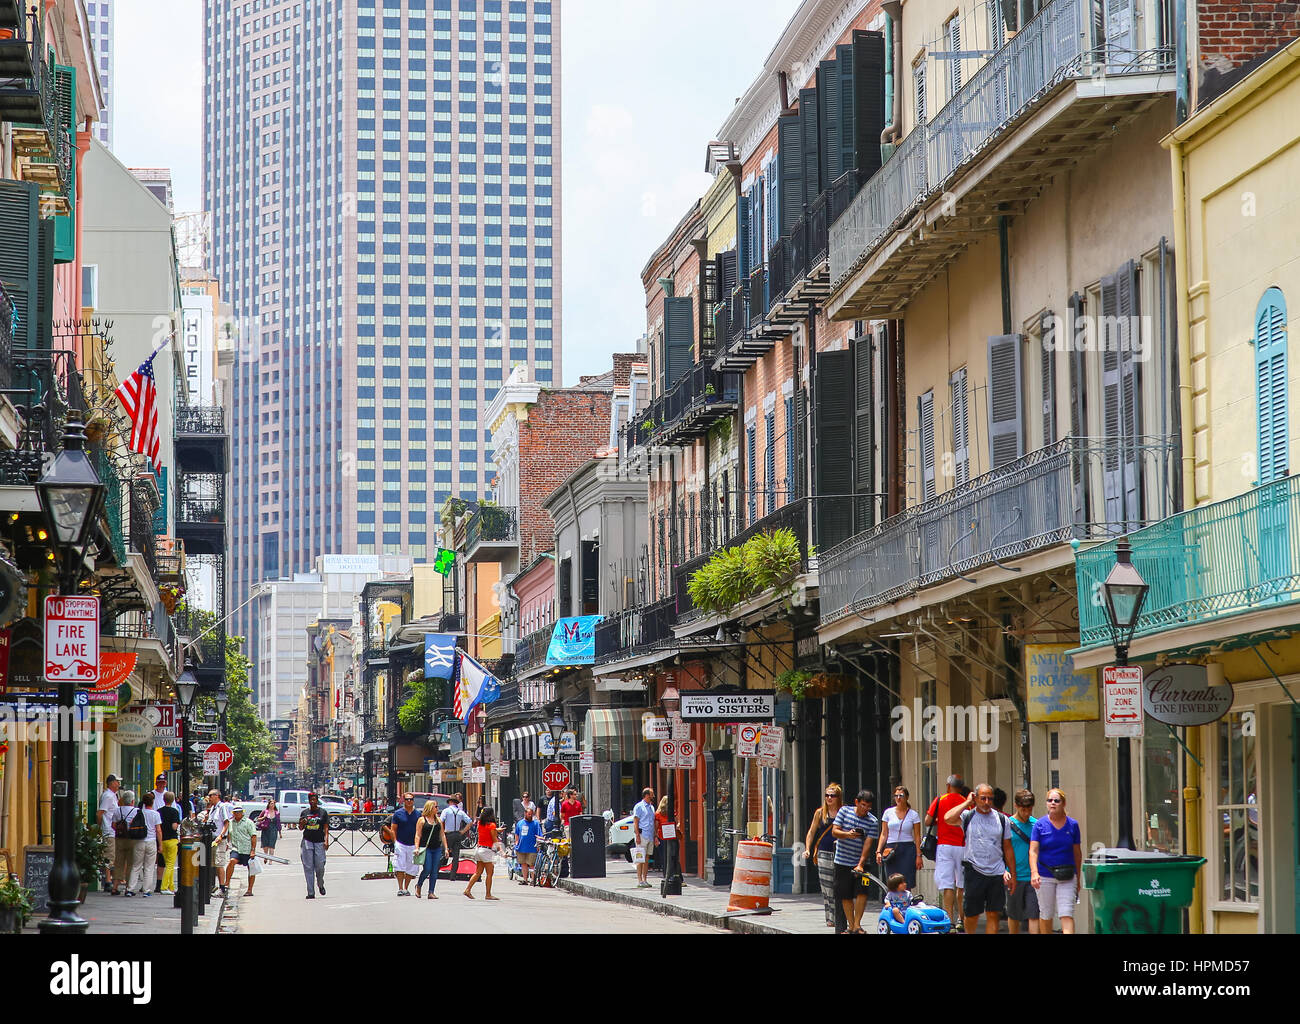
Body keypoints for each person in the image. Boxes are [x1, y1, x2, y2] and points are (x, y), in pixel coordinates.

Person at [945, 783, 1015, 934]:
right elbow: (948, 818)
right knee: (971, 915)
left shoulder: (1002, 820)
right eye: (983, 798)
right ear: (975, 798)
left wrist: (1012, 873)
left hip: (996, 872)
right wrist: (966, 803)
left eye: (990, 799)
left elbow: (1008, 848)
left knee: (993, 913)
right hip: (974, 871)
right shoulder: (968, 816)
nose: (987, 802)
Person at [1030, 788, 1082, 934]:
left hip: (1067, 875)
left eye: (1056, 800)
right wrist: (1034, 873)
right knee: (1046, 914)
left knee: (1066, 914)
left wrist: (1078, 877)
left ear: (1063, 803)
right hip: (1045, 875)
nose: (1053, 803)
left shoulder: (1073, 825)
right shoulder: (1039, 825)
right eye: (1050, 800)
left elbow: (1077, 853)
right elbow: (1033, 851)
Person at [831, 789, 879, 934]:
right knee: (844, 895)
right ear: (856, 802)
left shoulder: (873, 821)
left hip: (862, 862)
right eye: (863, 805)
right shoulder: (844, 812)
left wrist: (860, 864)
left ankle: (857, 924)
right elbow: (835, 831)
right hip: (842, 861)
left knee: (862, 892)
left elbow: (868, 844)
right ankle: (851, 926)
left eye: (868, 807)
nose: (865, 809)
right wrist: (847, 834)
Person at [925, 775, 968, 932]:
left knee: (947, 884)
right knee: (961, 885)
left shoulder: (939, 800)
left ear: (948, 785)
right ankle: (961, 919)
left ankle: (949, 921)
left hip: (944, 845)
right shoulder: (966, 802)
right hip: (963, 846)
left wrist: (939, 820)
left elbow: (927, 821)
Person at [803, 782, 844, 928]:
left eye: (832, 795)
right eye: (827, 795)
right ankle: (830, 918)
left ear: (838, 797)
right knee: (827, 887)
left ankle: (840, 916)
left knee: (839, 885)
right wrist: (808, 849)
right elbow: (811, 832)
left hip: (841, 853)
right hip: (824, 853)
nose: (829, 798)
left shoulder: (843, 812)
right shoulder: (820, 813)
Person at [876, 785, 922, 889]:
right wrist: (878, 851)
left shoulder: (913, 815)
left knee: (906, 881)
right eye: (896, 796)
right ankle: (893, 903)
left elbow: (917, 836)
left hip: (908, 849)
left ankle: (906, 902)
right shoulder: (888, 812)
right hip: (891, 849)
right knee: (892, 880)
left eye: (901, 795)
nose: (898, 798)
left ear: (906, 797)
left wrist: (919, 855)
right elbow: (884, 833)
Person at [1006, 789, 1039, 934]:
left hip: (1033, 878)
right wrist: (1003, 871)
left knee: (1033, 915)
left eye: (1029, 809)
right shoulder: (1007, 824)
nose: (1026, 813)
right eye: (1023, 809)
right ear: (1016, 806)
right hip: (1014, 877)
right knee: (1014, 916)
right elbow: (1000, 850)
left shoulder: (1036, 825)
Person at [463, 806, 500, 900]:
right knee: (489, 873)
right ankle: (488, 894)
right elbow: (494, 838)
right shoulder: (492, 825)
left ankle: (468, 889)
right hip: (487, 851)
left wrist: (497, 830)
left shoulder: (480, 823)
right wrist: (500, 849)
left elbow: (487, 831)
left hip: (479, 849)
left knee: (478, 872)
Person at [300, 792, 331, 900]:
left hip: (319, 842)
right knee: (308, 867)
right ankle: (311, 892)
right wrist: (303, 822)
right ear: (309, 801)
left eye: (314, 800)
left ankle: (320, 884)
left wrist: (326, 840)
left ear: (317, 801)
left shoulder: (323, 812)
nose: (312, 802)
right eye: (311, 800)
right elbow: (300, 827)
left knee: (320, 866)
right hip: (307, 841)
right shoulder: (304, 812)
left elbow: (326, 828)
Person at [414, 799, 448, 899]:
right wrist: (416, 847)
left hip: (436, 847)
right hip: (426, 848)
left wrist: (446, 848)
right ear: (430, 808)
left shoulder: (438, 820)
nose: (437, 809)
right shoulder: (422, 820)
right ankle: (419, 885)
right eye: (435, 807)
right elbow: (418, 835)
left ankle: (431, 891)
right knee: (427, 869)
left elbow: (442, 835)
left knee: (434, 870)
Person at [131, 792, 162, 898]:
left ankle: (130, 888)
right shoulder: (155, 814)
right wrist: (160, 845)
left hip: (139, 841)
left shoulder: (138, 812)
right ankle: (146, 890)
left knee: (136, 866)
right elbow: (158, 830)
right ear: (152, 802)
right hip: (151, 841)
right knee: (149, 867)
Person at [224, 805, 260, 897]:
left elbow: (253, 836)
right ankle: (226, 883)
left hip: (247, 848)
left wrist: (253, 850)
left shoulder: (249, 822)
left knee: (251, 869)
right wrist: (227, 844)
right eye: (235, 812)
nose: (237, 814)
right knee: (232, 861)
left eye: (239, 812)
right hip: (236, 848)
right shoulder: (231, 822)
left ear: (242, 813)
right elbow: (228, 834)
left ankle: (249, 890)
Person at [391, 793, 421, 896]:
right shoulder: (398, 813)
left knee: (411, 867)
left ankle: (406, 888)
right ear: (404, 800)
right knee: (399, 866)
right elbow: (393, 829)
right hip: (401, 843)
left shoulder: (418, 814)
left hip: (413, 845)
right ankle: (400, 888)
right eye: (407, 799)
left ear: (413, 800)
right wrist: (395, 842)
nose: (409, 801)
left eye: (411, 799)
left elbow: (420, 830)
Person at [202, 789, 231, 895]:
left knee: (219, 863)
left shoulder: (222, 807)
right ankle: (213, 886)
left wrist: (221, 835)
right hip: (211, 839)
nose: (209, 797)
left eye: (210, 795)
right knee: (212, 863)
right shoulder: (213, 808)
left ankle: (222, 888)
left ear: (217, 796)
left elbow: (226, 822)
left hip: (219, 840)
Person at [97, 774, 121, 894]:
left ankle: (109, 879)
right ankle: (107, 880)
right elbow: (100, 813)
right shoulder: (108, 796)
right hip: (109, 831)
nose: (119, 784)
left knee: (111, 856)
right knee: (109, 856)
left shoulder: (113, 796)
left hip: (112, 830)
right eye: (117, 782)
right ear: (111, 783)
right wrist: (101, 827)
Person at [441, 794, 473, 876]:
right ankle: (453, 874)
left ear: (450, 802)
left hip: (448, 834)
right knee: (456, 855)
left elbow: (441, 821)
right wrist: (462, 831)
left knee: (444, 852)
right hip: (457, 834)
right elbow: (470, 822)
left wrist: (441, 831)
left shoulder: (446, 811)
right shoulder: (461, 812)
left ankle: (438, 869)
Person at [632, 788, 656, 888]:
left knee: (647, 858)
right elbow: (636, 822)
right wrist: (637, 835)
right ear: (646, 795)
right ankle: (639, 880)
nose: (653, 796)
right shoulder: (639, 807)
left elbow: (653, 822)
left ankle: (645, 879)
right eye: (651, 794)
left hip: (650, 835)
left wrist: (655, 836)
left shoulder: (652, 807)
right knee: (640, 858)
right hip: (642, 835)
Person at [159, 792, 182, 895]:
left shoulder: (159, 811)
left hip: (162, 840)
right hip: (172, 840)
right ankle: (164, 887)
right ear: (173, 800)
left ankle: (171, 886)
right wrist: (177, 824)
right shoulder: (174, 811)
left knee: (168, 864)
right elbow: (174, 827)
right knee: (170, 865)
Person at [513, 805, 541, 884]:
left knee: (531, 864)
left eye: (531, 814)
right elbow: (517, 833)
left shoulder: (535, 823)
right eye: (529, 814)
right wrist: (516, 842)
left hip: (532, 847)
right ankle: (525, 880)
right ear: (525, 814)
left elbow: (539, 834)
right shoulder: (520, 823)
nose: (530, 816)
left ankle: (533, 880)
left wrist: (538, 844)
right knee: (523, 863)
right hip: (521, 847)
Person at [653, 795, 671, 873]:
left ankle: (666, 872)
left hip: (665, 836)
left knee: (665, 855)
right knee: (666, 856)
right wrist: (655, 837)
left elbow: (656, 827)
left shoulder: (671, 812)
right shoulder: (658, 814)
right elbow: (656, 827)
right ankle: (666, 872)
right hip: (665, 836)